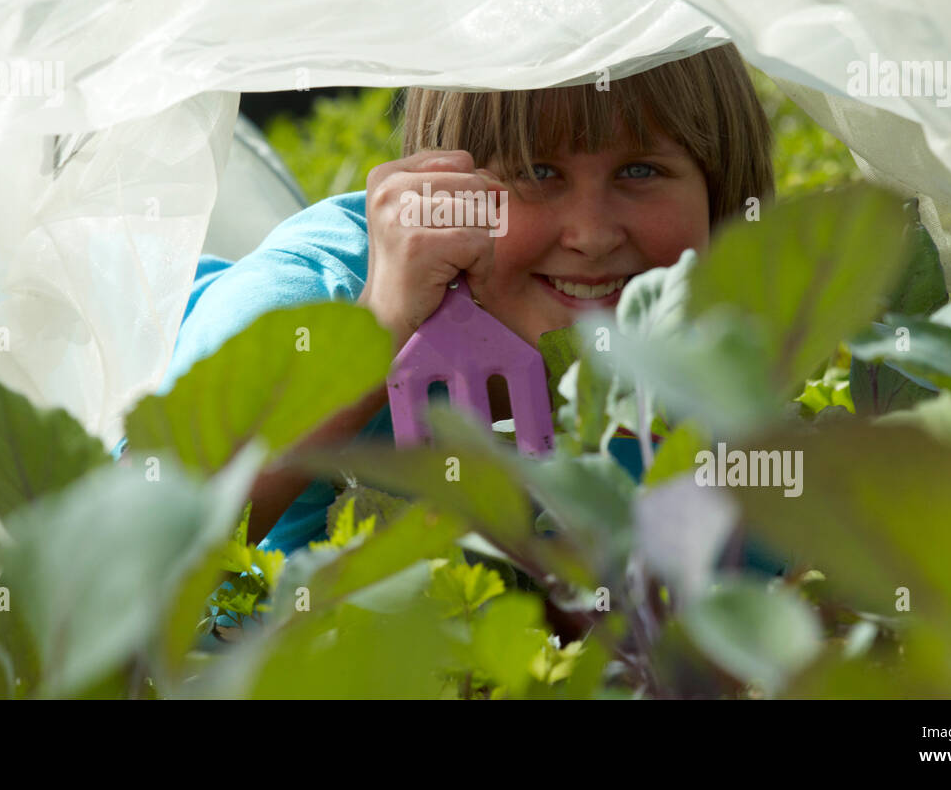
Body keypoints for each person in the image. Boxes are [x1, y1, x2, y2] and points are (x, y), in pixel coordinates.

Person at [139, 44, 774, 569]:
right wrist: (377, 329)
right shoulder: (302, 301)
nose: (591, 234)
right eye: (535, 172)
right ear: (446, 186)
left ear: (720, 198)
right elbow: (140, 558)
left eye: (640, 171)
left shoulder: (719, 353)